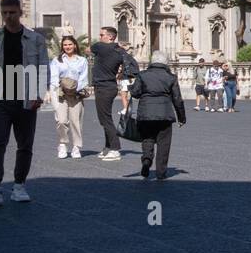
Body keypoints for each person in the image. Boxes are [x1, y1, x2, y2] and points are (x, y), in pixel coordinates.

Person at [0, 0, 49, 206]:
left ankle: (19, 186)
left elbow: (43, 68)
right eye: (5, 12)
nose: (8, 16)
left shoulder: (35, 39)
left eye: (12, 12)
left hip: (26, 98)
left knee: (25, 144)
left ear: (20, 12)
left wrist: (39, 94)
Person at [129, 50, 186, 180]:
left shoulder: (142, 75)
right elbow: (177, 99)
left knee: (147, 139)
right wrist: (181, 118)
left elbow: (136, 93)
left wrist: (132, 87)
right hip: (165, 114)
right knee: (164, 143)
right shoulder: (171, 77)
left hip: (145, 113)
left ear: (152, 61)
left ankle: (146, 160)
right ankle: (161, 171)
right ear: (165, 62)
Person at [90, 26, 139, 161]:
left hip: (103, 86)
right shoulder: (120, 50)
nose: (99, 38)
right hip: (111, 86)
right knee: (106, 118)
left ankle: (115, 148)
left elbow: (90, 49)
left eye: (102, 35)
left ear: (110, 37)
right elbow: (133, 65)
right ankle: (108, 147)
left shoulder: (100, 47)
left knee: (104, 119)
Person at [49, 34, 89, 160]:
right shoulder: (57, 60)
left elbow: (83, 78)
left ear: (75, 45)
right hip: (61, 93)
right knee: (61, 120)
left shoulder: (82, 61)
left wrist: (75, 89)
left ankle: (76, 147)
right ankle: (62, 144)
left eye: (70, 44)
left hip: (76, 93)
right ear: (62, 46)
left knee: (76, 121)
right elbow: (54, 77)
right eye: (65, 45)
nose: (68, 47)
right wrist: (56, 90)